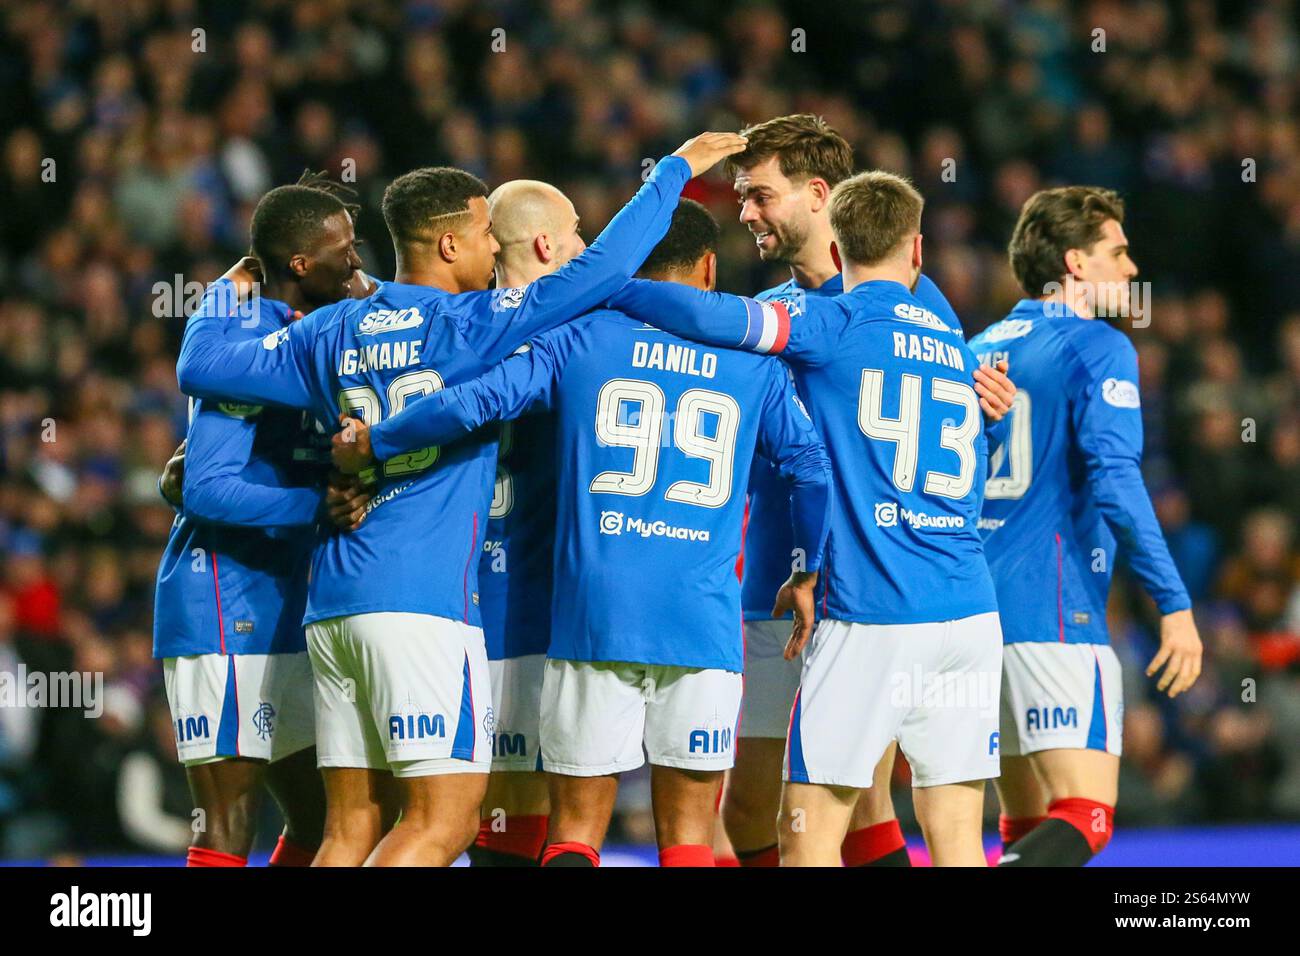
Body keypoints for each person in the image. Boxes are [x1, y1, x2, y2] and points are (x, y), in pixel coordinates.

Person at [173, 133, 747, 866]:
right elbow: (601, 269)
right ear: (449, 246)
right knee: (443, 823)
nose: (490, 253)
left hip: (332, 603)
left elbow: (205, 365)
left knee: (350, 828)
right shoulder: (476, 327)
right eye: (482, 235)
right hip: (423, 605)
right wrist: (676, 170)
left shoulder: (330, 330)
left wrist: (225, 293)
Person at [331, 199, 833, 867]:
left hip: (593, 616)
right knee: (689, 836)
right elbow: (809, 464)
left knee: (572, 833)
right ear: (709, 269)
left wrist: (377, 443)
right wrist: (805, 568)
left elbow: (477, 400)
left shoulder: (580, 338)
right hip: (702, 621)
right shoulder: (754, 363)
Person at [607, 171, 1004, 866]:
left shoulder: (831, 322)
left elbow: (706, 317)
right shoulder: (952, 347)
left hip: (873, 611)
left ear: (840, 248)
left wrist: (595, 285)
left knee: (810, 833)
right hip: (970, 613)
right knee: (959, 837)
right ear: (917, 250)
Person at [720, 113, 1016, 866]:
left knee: (852, 801)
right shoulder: (776, 315)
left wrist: (990, 407)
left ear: (819, 195)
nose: (746, 213)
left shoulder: (922, 305)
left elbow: (945, 440)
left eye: (760, 195)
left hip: (871, 592)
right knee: (756, 802)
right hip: (775, 586)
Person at [968, 186, 1203, 866]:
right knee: (1087, 815)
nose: (1132, 271)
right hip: (1056, 607)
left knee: (1023, 820)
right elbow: (1117, 479)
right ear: (1075, 263)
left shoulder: (976, 346)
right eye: (1118, 253)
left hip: (974, 612)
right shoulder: (1098, 345)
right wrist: (1174, 603)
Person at [152, 175, 370, 867]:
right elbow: (208, 491)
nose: (358, 260)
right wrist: (317, 509)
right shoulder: (246, 340)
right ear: (301, 263)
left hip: (293, 601)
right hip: (224, 599)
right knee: (227, 822)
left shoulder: (322, 328)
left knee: (317, 819)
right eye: (344, 248)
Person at [466, 179, 586, 866]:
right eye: (577, 237)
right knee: (536, 801)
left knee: (475, 806)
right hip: (537, 600)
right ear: (546, 244)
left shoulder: (455, 325)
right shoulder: (568, 332)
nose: (586, 251)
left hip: (457, 597)